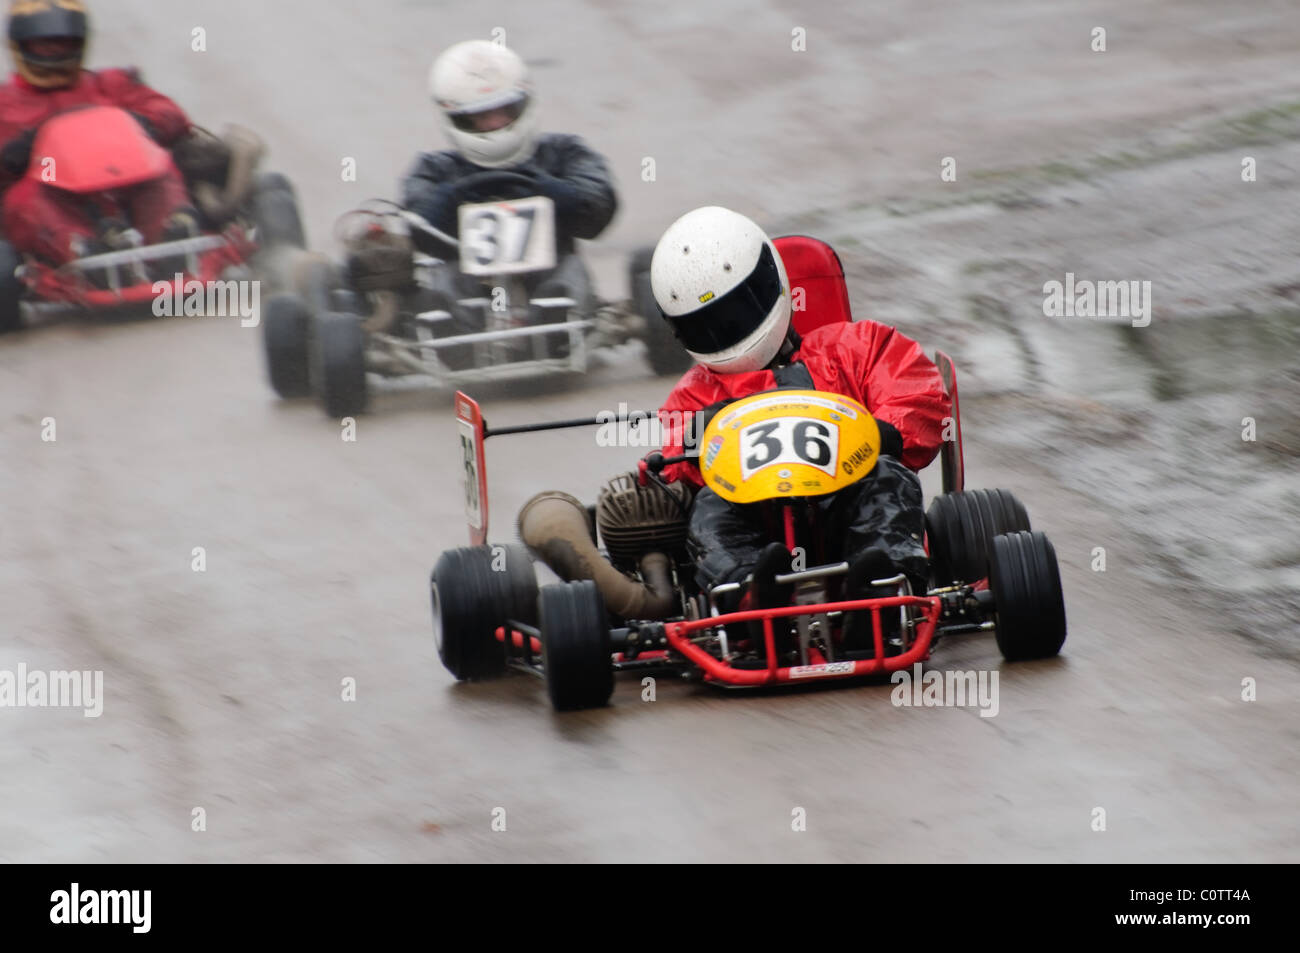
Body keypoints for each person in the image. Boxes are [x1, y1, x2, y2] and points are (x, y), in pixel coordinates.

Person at [648, 206, 952, 637]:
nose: (726, 332)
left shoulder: (853, 347)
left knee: (887, 477)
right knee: (710, 508)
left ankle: (879, 592)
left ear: (769, 280)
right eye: (707, 326)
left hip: (846, 506)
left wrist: (885, 432)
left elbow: (916, 393)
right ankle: (748, 594)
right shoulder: (697, 394)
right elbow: (676, 464)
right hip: (759, 521)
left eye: (736, 313)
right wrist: (703, 437)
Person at [399, 39, 617, 321]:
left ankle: (557, 323)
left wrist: (550, 191)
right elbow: (417, 228)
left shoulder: (564, 153)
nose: (494, 124)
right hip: (465, 282)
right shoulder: (434, 170)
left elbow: (597, 208)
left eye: (504, 110)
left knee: (567, 272)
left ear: (523, 104)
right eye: (480, 115)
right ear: (456, 118)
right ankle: (456, 338)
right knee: (443, 282)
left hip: (552, 272)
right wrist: (452, 197)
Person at [0, 0, 198, 266]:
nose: (55, 52)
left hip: (127, 179)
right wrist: (12, 154)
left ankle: (173, 235)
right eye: (44, 45)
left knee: (160, 168)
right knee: (23, 198)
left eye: (63, 43)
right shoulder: (5, 103)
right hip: (52, 191)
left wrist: (142, 122)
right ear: (20, 45)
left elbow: (170, 113)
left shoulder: (111, 84)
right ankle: (82, 251)